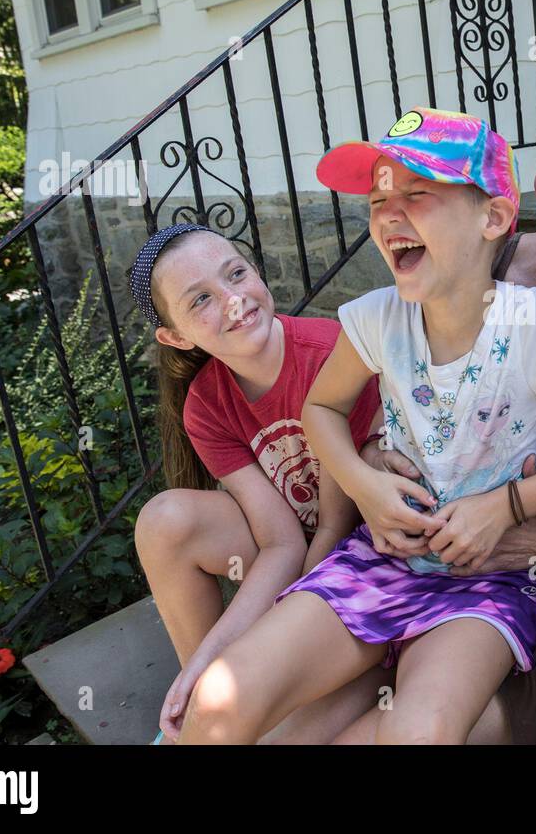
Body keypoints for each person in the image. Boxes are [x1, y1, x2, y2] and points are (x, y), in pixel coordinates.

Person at [175, 107, 536, 744]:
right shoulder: (372, 319)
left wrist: (507, 506)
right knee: (219, 708)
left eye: (418, 193)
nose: (389, 213)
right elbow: (323, 409)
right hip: (380, 560)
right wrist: (364, 485)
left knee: (419, 733)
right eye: (379, 198)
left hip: (488, 582)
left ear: (494, 218)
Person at [127, 224, 379, 743]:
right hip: (294, 545)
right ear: (176, 337)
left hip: (366, 552)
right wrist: (207, 658)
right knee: (164, 521)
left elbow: (339, 522)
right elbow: (280, 540)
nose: (234, 299)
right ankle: (201, 693)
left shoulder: (330, 355)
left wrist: (275, 630)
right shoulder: (206, 402)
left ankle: (252, 686)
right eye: (201, 299)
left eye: (236, 273)